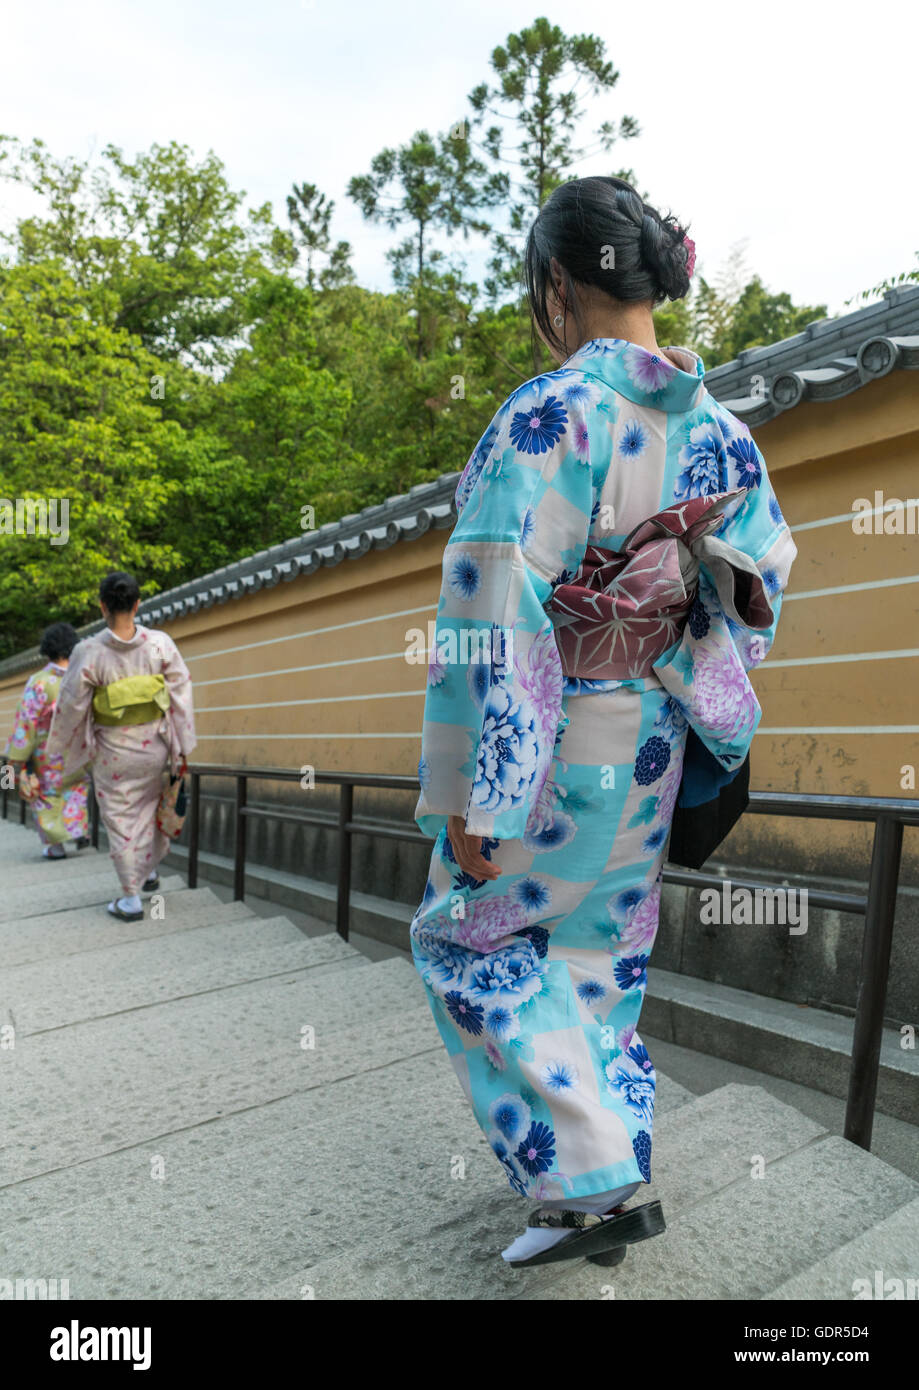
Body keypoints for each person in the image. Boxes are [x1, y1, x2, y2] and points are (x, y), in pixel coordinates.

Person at [409, 176, 797, 1269]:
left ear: (556, 286)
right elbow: (764, 575)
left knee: (466, 938)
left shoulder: (549, 413)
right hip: (657, 734)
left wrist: (484, 791)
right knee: (601, 958)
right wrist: (679, 614)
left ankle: (590, 1182)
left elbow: (492, 605)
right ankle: (601, 1175)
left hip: (556, 730)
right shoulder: (723, 432)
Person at [46, 572, 196, 921]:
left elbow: (71, 706)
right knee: (149, 810)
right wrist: (181, 744)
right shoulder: (159, 643)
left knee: (121, 820)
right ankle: (151, 872)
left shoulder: (88, 651)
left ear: (102, 607)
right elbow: (181, 690)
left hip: (112, 752)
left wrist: (63, 747)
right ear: (137, 604)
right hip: (154, 747)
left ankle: (130, 898)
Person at [3, 622, 90, 858]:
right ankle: (78, 830)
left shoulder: (39, 681)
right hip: (79, 748)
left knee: (46, 796)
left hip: (47, 752)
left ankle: (55, 846)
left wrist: (14, 761)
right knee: (76, 791)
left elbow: (25, 723)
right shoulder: (83, 677)